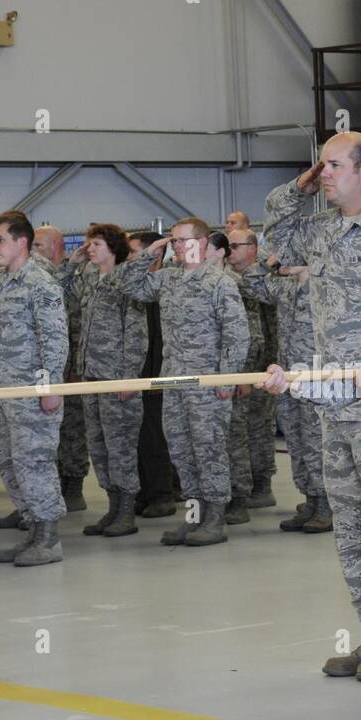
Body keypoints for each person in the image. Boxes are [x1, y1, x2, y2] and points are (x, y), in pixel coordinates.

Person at [257, 131, 361, 681]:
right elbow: (271, 239)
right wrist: (299, 186)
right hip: (334, 408)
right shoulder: (322, 230)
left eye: (332, 166)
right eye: (319, 167)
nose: (322, 174)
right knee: (350, 527)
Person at [114, 218, 249, 547]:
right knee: (182, 453)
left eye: (182, 240)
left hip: (207, 383)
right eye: (173, 241)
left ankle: (215, 520)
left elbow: (237, 333)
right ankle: (193, 518)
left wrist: (226, 378)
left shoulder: (219, 282)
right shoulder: (168, 278)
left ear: (203, 243)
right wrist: (150, 252)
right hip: (173, 381)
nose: (176, 246)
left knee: (209, 452)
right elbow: (127, 285)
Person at [0, 211, 68, 566]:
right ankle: (33, 530)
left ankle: (49, 540)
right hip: (3, 386)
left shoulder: (39, 281)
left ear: (22, 242)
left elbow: (54, 338)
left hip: (31, 388)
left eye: (0, 240)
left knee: (35, 461)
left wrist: (50, 386)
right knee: (10, 461)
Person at [230, 230, 327, 532]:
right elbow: (249, 281)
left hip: (317, 379)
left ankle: (326, 504)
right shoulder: (285, 289)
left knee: (316, 444)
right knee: (297, 443)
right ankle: (310, 500)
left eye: (289, 252)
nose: (282, 257)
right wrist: (269, 263)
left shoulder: (326, 289)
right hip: (287, 378)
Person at [67, 224, 148, 538]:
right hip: (91, 377)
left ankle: (126, 511)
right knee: (99, 446)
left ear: (113, 247)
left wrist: (129, 377)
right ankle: (113, 507)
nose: (90, 249)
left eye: (96, 244)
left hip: (117, 378)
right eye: (89, 244)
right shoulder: (89, 276)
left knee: (121, 446)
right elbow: (64, 292)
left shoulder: (127, 281)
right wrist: (72, 264)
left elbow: (137, 334)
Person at [33, 225, 89, 516]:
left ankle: (75, 483)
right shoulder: (35, 280)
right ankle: (51, 486)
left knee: (73, 428)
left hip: (73, 369)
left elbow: (80, 326)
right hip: (46, 370)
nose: (33, 252)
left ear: (57, 248)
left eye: (39, 246)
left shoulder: (74, 282)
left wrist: (77, 368)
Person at [209, 230, 263, 525]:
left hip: (232, 371)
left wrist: (242, 374)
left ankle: (239, 497)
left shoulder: (235, 283)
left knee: (234, 435)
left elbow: (249, 333)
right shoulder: (197, 281)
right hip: (207, 373)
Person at [127, 231, 176, 518]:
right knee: (141, 436)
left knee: (155, 437)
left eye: (135, 252)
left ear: (153, 255)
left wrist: (157, 376)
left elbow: (161, 335)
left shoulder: (165, 282)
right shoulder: (142, 286)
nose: (131, 258)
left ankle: (163, 494)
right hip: (139, 370)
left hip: (156, 372)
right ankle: (146, 492)